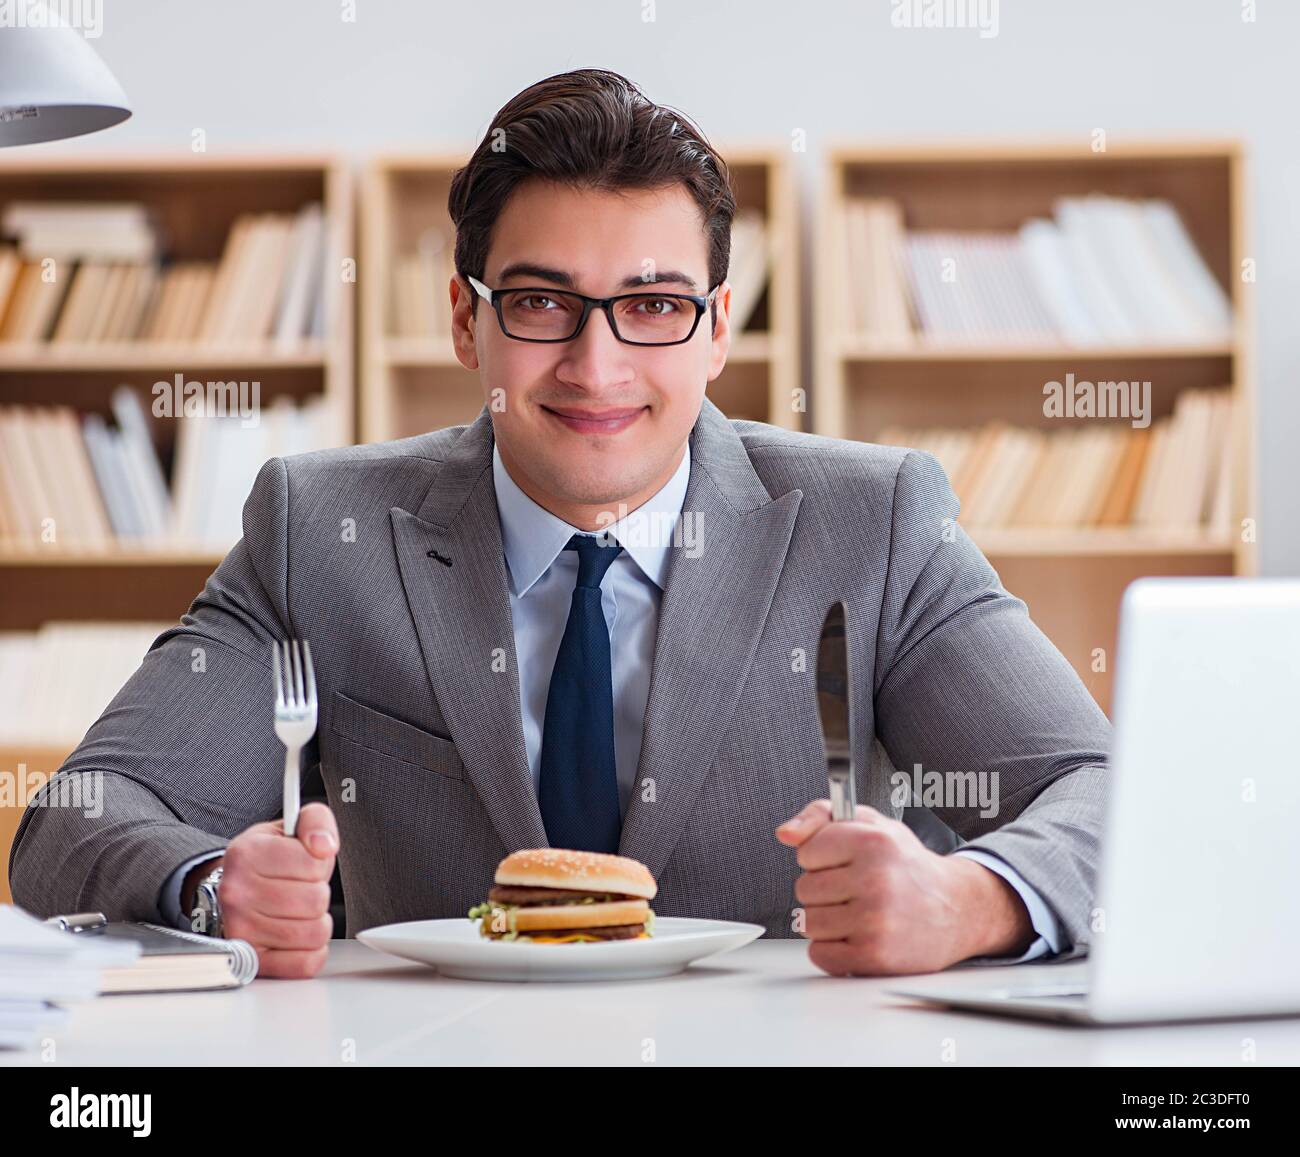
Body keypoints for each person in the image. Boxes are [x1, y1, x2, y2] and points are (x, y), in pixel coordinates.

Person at [9, 68, 1109, 979]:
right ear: (463, 319)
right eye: (540, 303)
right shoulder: (319, 528)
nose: (596, 366)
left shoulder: (871, 524)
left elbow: (1104, 791)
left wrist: (971, 899)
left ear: (718, 328)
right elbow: (76, 818)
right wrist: (209, 886)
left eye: (654, 305)